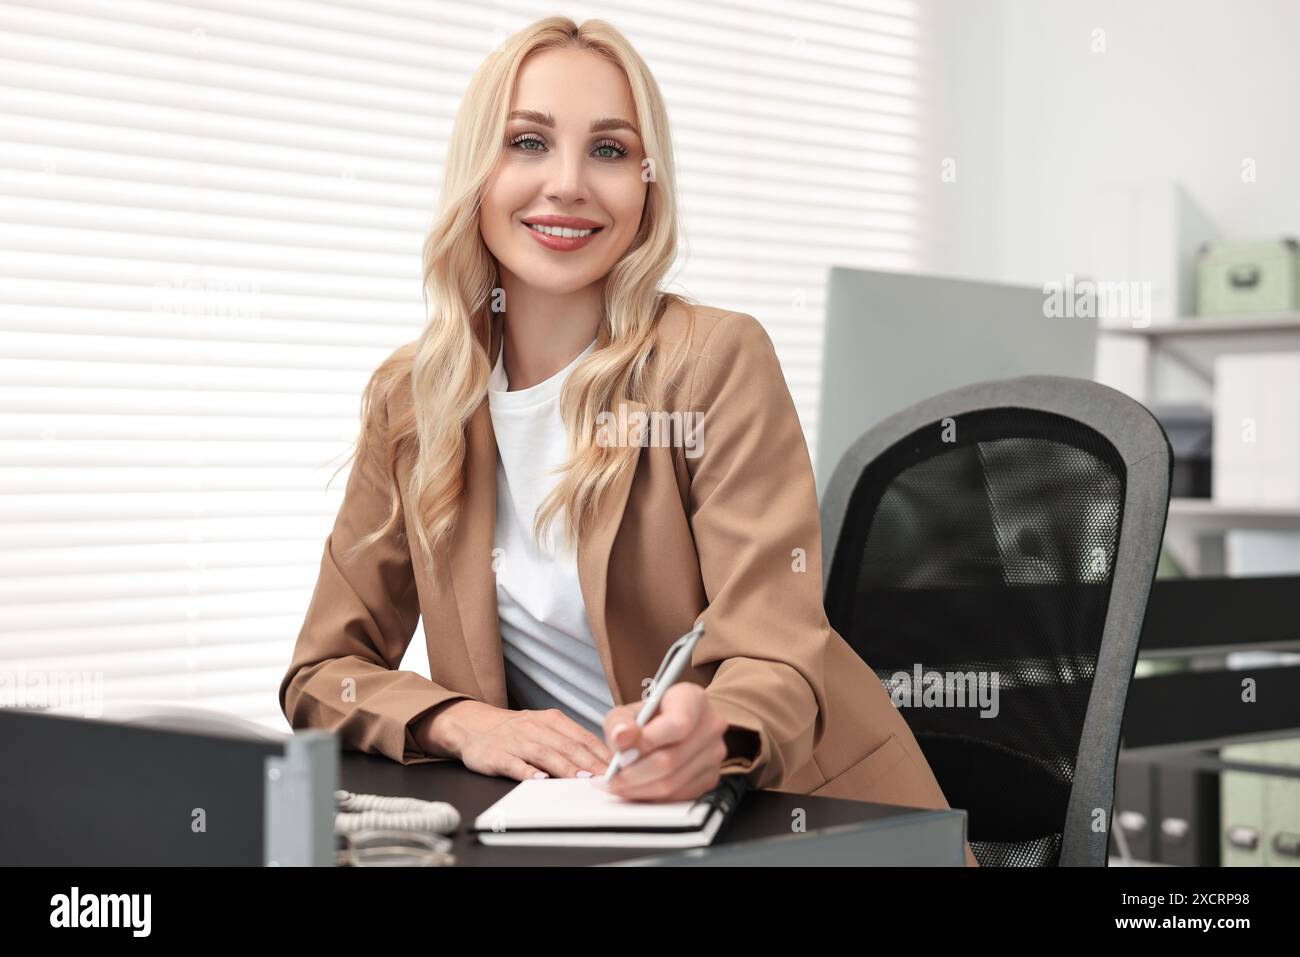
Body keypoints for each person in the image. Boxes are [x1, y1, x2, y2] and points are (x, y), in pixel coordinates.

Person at [278, 15, 978, 867]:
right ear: (477, 171)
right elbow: (323, 671)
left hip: (802, 822)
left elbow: (776, 649)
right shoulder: (414, 399)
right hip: (583, 836)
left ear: (648, 185)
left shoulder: (713, 361)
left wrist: (712, 726)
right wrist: (463, 722)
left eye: (609, 151)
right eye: (528, 142)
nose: (568, 183)